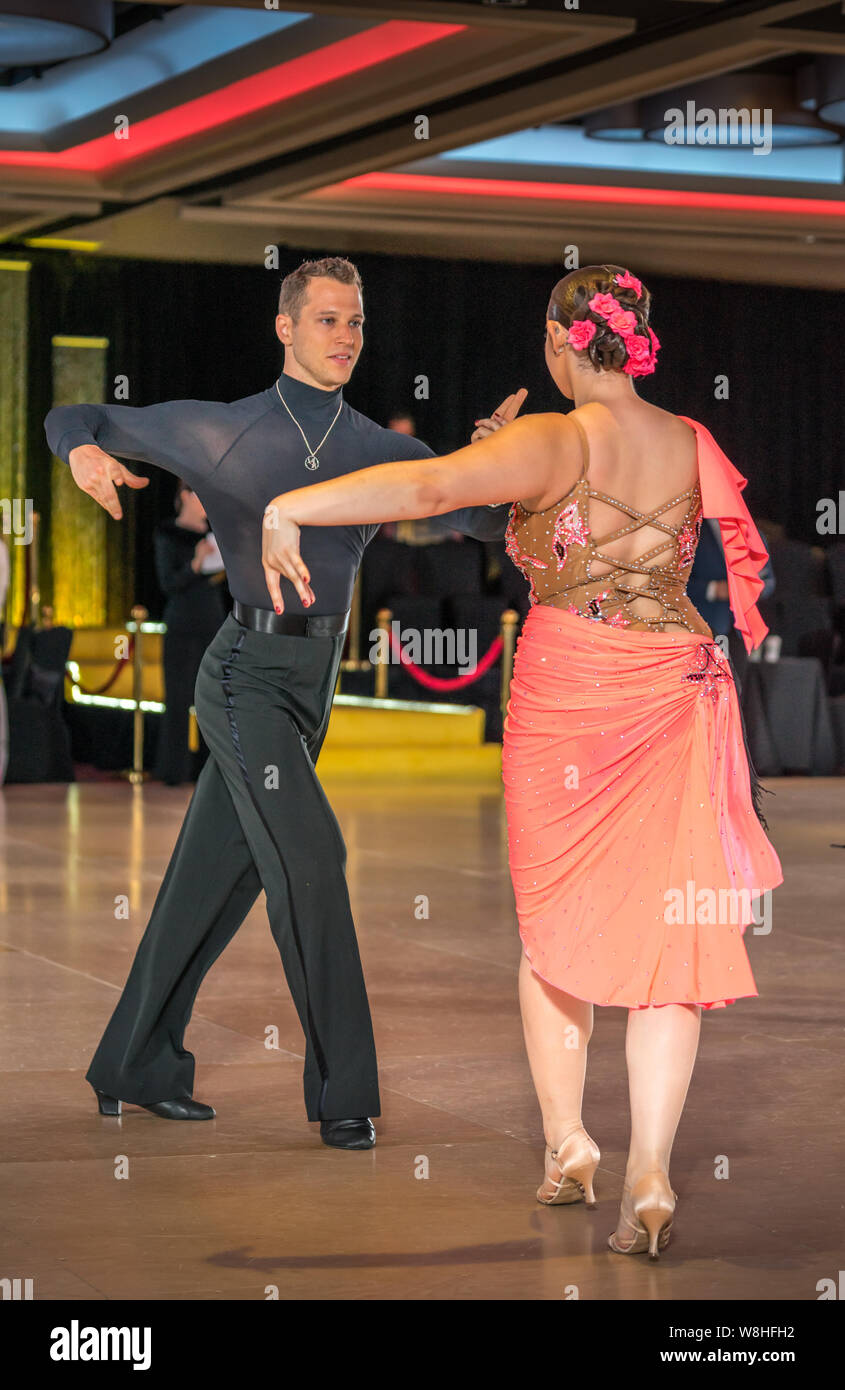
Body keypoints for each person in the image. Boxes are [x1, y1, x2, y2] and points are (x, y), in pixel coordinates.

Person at [260, 264, 783, 1251]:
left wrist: (290, 504)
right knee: (670, 944)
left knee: (552, 934)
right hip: (673, 685)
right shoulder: (685, 438)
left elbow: (422, 488)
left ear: (556, 341)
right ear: (634, 340)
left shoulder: (554, 435)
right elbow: (734, 553)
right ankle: (650, 1176)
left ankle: (567, 1145)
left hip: (571, 692)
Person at [44, 256, 514, 1149]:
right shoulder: (220, 429)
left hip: (313, 686)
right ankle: (345, 1095)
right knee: (314, 859)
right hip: (241, 676)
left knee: (209, 885)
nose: (346, 337)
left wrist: (490, 463)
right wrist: (85, 453)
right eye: (329, 320)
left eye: (357, 323)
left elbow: (484, 519)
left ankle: (135, 1063)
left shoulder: (384, 449)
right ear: (286, 327)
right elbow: (77, 413)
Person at [152, 481, 227, 785]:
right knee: (179, 696)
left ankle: (211, 772)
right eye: (199, 494)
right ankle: (174, 770)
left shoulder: (218, 533)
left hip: (212, 619)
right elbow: (168, 583)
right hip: (182, 621)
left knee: (213, 697)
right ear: (184, 496)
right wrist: (196, 563)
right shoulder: (168, 533)